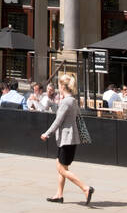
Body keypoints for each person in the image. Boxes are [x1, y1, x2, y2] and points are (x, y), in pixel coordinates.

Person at [40, 73, 94, 205]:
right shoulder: (73, 100)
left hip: (66, 139)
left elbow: (58, 121)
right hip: (71, 139)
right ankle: (59, 194)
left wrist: (47, 133)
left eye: (58, 84)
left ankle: (85, 188)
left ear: (62, 86)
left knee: (61, 169)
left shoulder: (65, 102)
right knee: (61, 166)